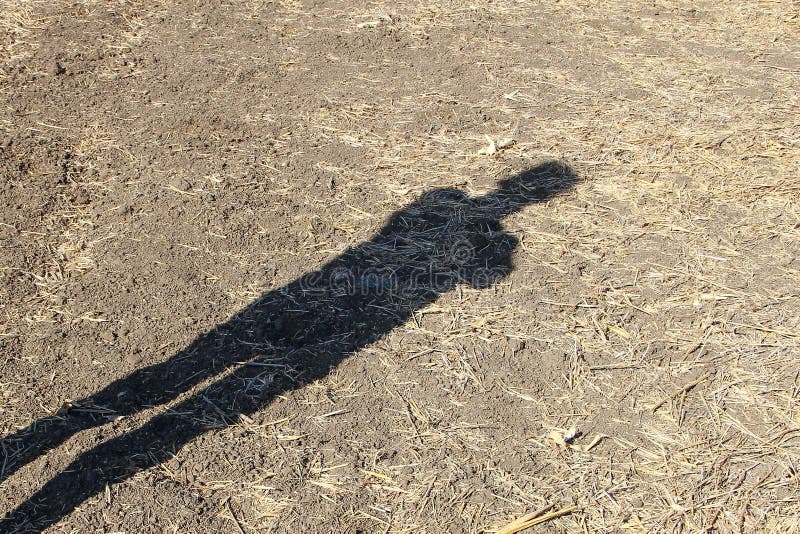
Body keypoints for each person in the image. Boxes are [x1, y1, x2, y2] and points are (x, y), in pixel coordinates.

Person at [0, 161, 576, 532]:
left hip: (303, 299)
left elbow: (441, 258)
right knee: (183, 384)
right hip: (324, 306)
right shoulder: (463, 216)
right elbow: (480, 278)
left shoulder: (444, 205)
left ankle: (41, 454)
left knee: (182, 375)